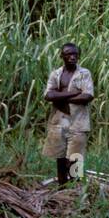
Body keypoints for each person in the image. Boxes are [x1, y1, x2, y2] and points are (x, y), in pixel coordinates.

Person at [41, 42, 95, 185]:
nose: (72, 57)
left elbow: (87, 96)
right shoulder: (56, 74)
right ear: (62, 56)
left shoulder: (84, 74)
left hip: (78, 122)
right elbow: (48, 95)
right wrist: (72, 94)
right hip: (58, 121)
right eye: (69, 54)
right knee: (60, 156)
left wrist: (60, 96)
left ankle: (76, 188)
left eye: (75, 54)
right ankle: (62, 186)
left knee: (76, 157)